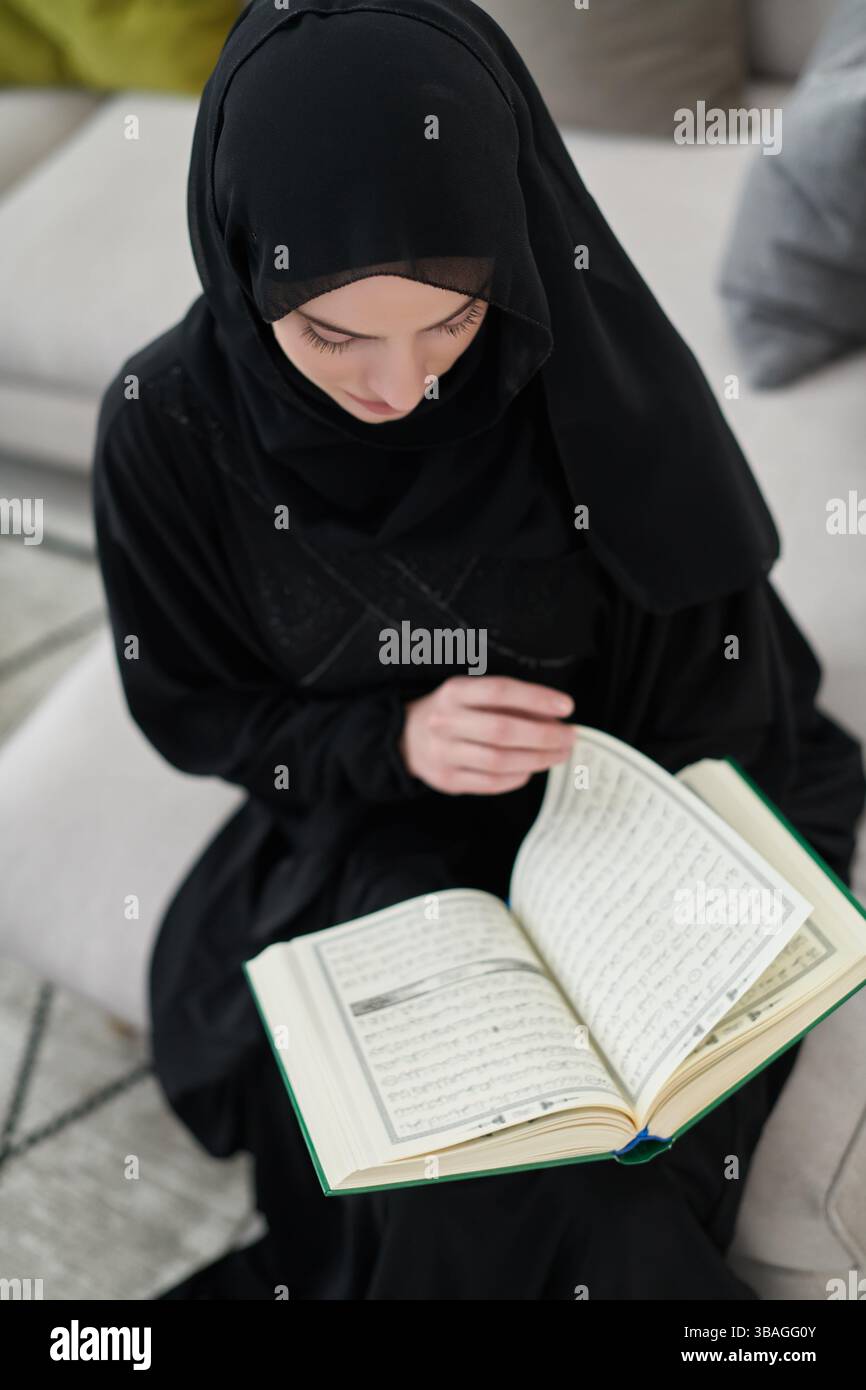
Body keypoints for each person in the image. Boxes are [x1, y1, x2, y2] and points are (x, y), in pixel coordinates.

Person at [92, 0, 865, 1300]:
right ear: (239, 260)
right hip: (366, 834)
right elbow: (199, 711)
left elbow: (715, 708)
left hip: (623, 816)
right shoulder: (166, 432)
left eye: (447, 319)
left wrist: (616, 872)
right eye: (333, 334)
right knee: (477, 1168)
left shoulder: (582, 379)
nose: (401, 386)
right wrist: (389, 738)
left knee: (600, 1187)